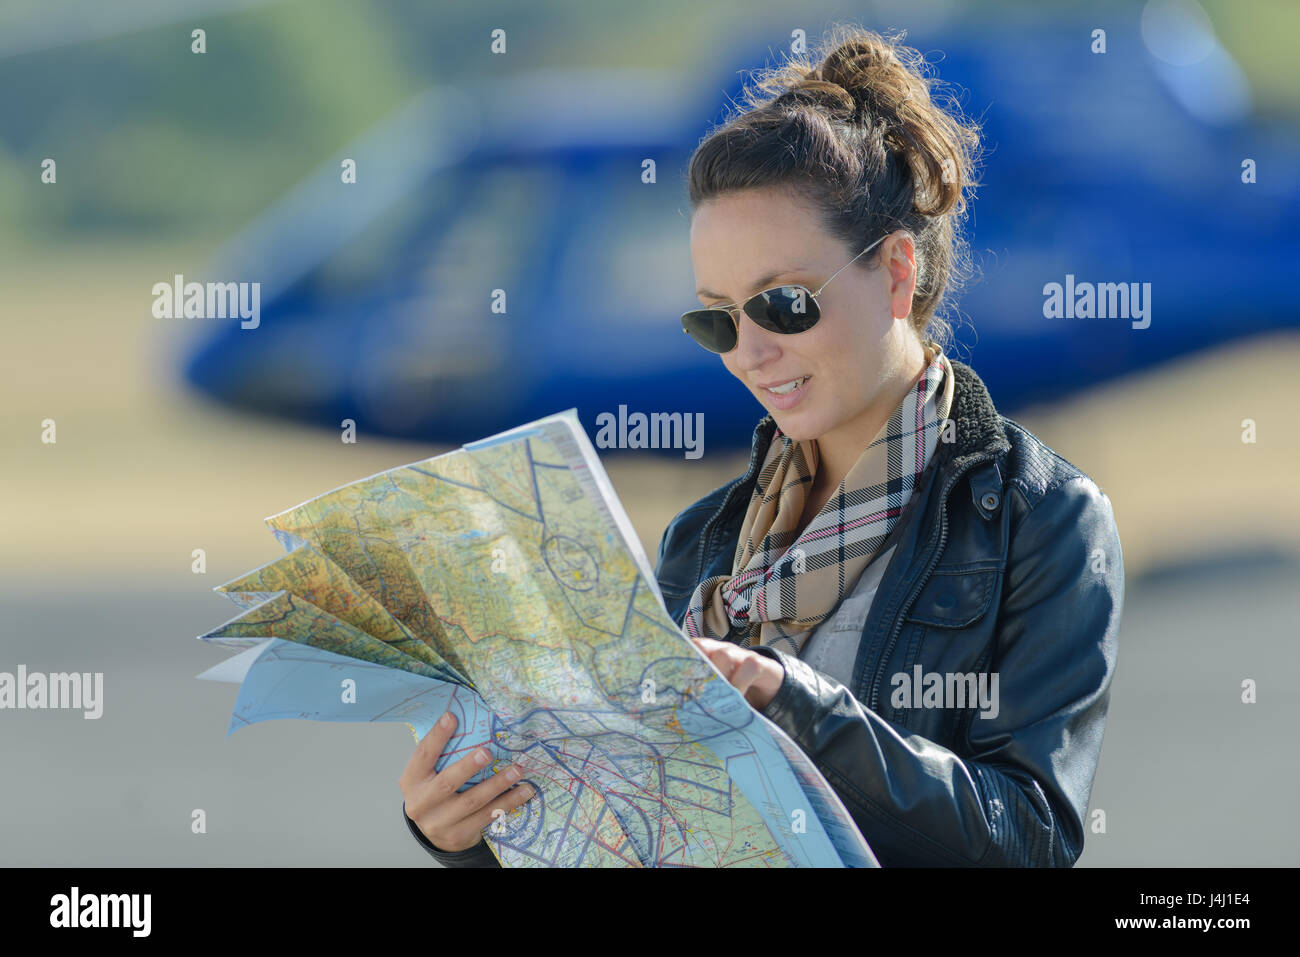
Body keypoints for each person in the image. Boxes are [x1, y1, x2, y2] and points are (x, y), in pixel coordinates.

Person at [400, 23, 1123, 867]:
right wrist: (466, 830)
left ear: (895, 272)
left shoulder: (1041, 519)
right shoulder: (700, 541)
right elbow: (633, 826)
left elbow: (1028, 838)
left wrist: (795, 704)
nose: (748, 351)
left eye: (782, 305)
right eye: (717, 317)